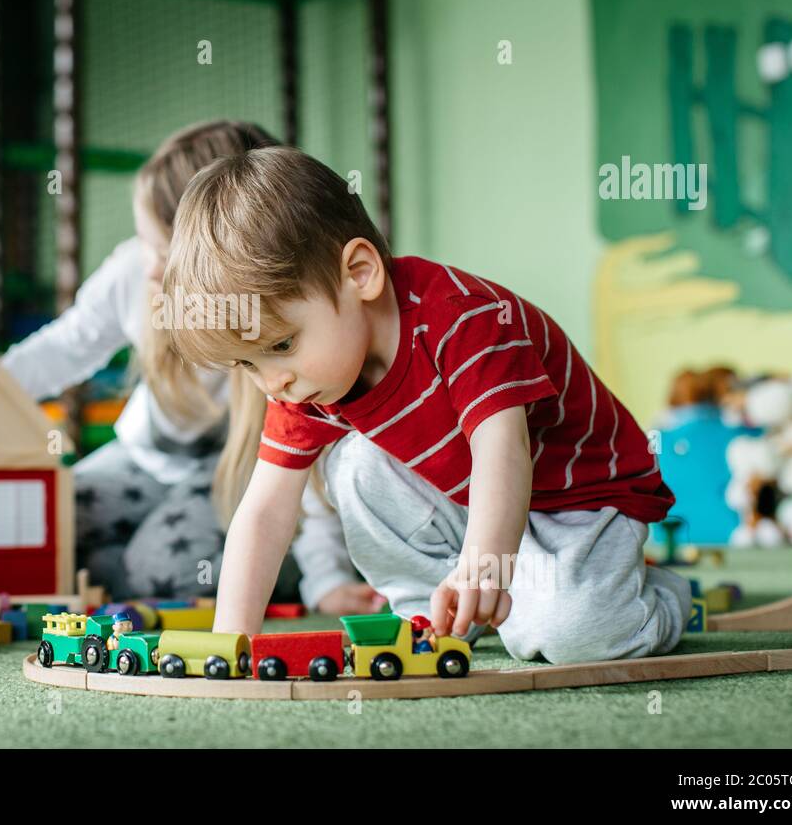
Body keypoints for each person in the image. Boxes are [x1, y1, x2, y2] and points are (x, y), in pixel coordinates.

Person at [161, 146, 693, 664]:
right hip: (470, 503)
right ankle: (436, 614)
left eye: (281, 345)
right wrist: (230, 638)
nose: (272, 383)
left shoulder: (461, 317)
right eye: (248, 366)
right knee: (357, 466)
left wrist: (486, 565)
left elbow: (500, 447)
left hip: (578, 501)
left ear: (360, 273)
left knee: (573, 634)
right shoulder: (301, 382)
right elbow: (265, 512)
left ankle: (660, 601)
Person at [0, 121, 377, 613]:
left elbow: (307, 463)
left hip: (226, 481)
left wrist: (326, 580)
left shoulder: (279, 336)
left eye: (164, 254)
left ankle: (267, 570)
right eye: (144, 243)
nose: (149, 266)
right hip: (140, 465)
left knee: (165, 567)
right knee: (43, 527)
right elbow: (67, 344)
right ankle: (130, 570)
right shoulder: (135, 273)